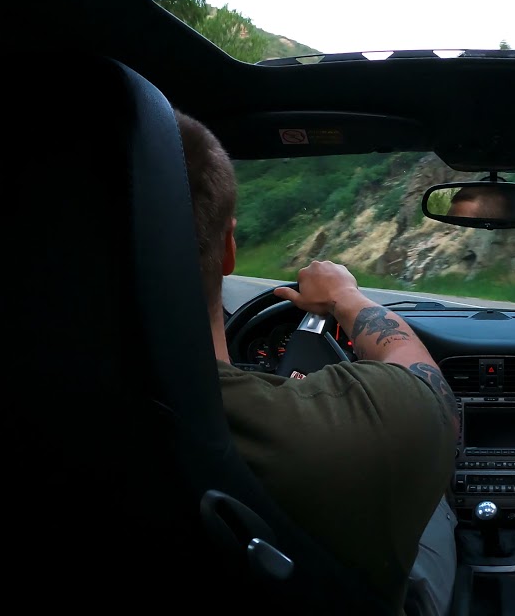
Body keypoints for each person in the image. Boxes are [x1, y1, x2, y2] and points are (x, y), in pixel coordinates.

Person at [176, 110, 458, 614]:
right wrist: (345, 298)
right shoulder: (358, 437)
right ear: (228, 250)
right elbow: (436, 397)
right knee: (433, 503)